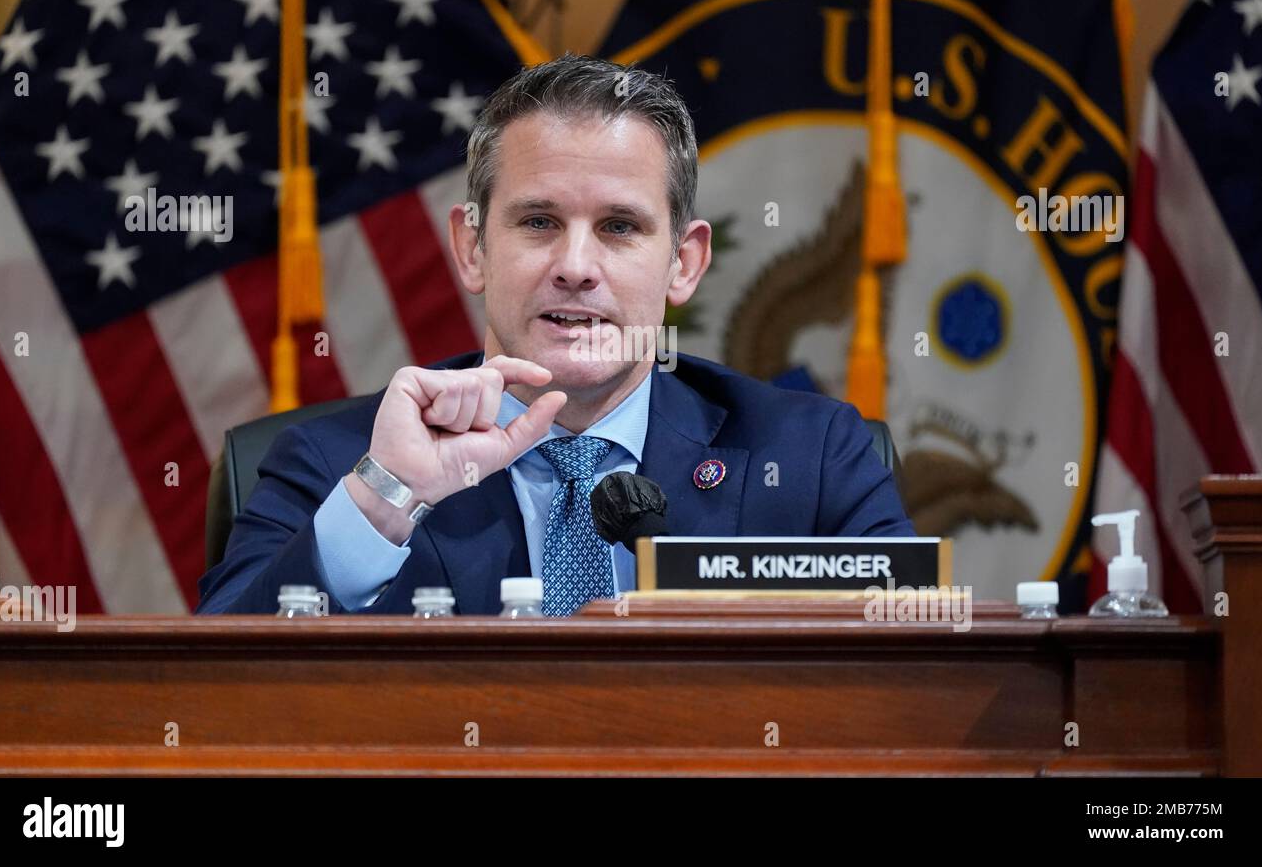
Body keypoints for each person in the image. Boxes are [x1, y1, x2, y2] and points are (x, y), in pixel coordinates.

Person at [197, 53, 913, 616]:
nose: (575, 267)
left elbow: (918, 696)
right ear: (473, 248)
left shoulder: (812, 460)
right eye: (538, 222)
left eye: (619, 228)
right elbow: (209, 708)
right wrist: (386, 503)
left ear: (684, 263)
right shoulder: (337, 465)